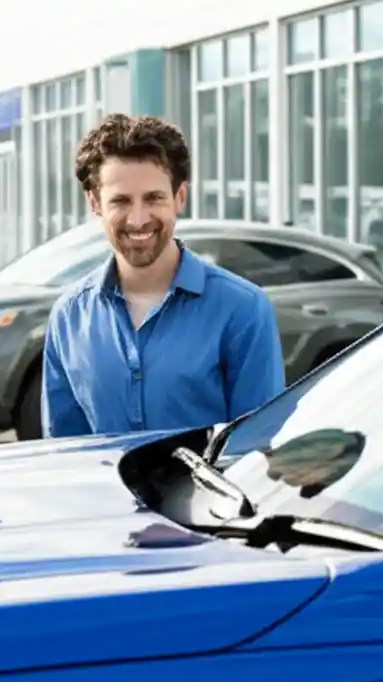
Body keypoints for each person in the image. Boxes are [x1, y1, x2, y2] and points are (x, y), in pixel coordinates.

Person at [41, 113, 284, 439]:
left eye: (154, 198)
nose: (138, 219)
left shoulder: (243, 309)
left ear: (179, 198)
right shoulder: (68, 317)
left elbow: (258, 447)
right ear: (95, 203)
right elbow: (63, 454)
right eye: (121, 201)